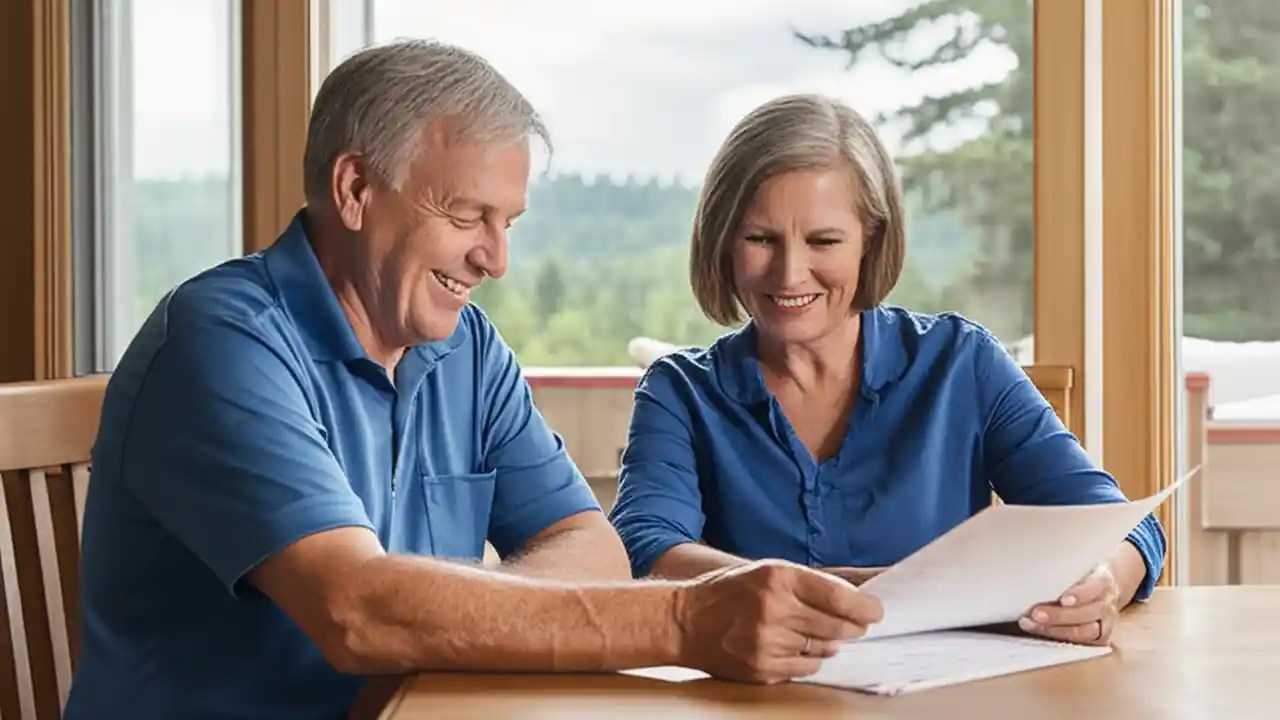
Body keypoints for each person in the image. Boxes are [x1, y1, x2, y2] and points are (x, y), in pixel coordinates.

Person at [66, 45, 883, 719]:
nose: (496, 259)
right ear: (355, 189)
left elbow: (590, 550)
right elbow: (358, 611)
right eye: (467, 218)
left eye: (508, 223)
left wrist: (447, 612)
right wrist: (684, 617)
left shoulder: (465, 347)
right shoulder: (221, 341)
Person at [608, 94, 1166, 648]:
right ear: (723, 242)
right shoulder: (680, 391)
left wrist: (1104, 583)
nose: (789, 272)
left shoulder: (961, 363)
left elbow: (1122, 525)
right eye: (760, 239)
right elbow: (642, 546)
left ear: (870, 242)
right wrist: (860, 593)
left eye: (823, 241)